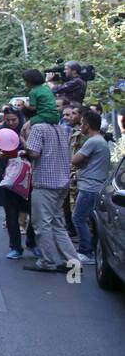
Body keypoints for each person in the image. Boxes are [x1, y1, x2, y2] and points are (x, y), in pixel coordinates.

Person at [20, 112, 78, 273]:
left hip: (45, 184)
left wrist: (23, 140)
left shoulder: (38, 128)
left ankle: (47, 261)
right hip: (61, 183)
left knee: (41, 225)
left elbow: (34, 153)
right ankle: (72, 261)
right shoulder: (60, 129)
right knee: (58, 224)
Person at [0, 105, 32, 260]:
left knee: (33, 213)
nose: (11, 123)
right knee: (11, 215)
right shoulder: (0, 133)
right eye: (8, 120)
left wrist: (24, 152)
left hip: (27, 179)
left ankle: (32, 242)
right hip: (7, 179)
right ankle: (15, 246)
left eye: (14, 119)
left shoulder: (27, 131)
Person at [70, 109, 110, 265]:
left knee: (78, 218)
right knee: (87, 220)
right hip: (94, 185)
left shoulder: (93, 141)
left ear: (86, 125)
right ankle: (90, 249)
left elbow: (75, 160)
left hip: (89, 187)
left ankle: (85, 251)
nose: (80, 126)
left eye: (81, 123)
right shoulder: (100, 140)